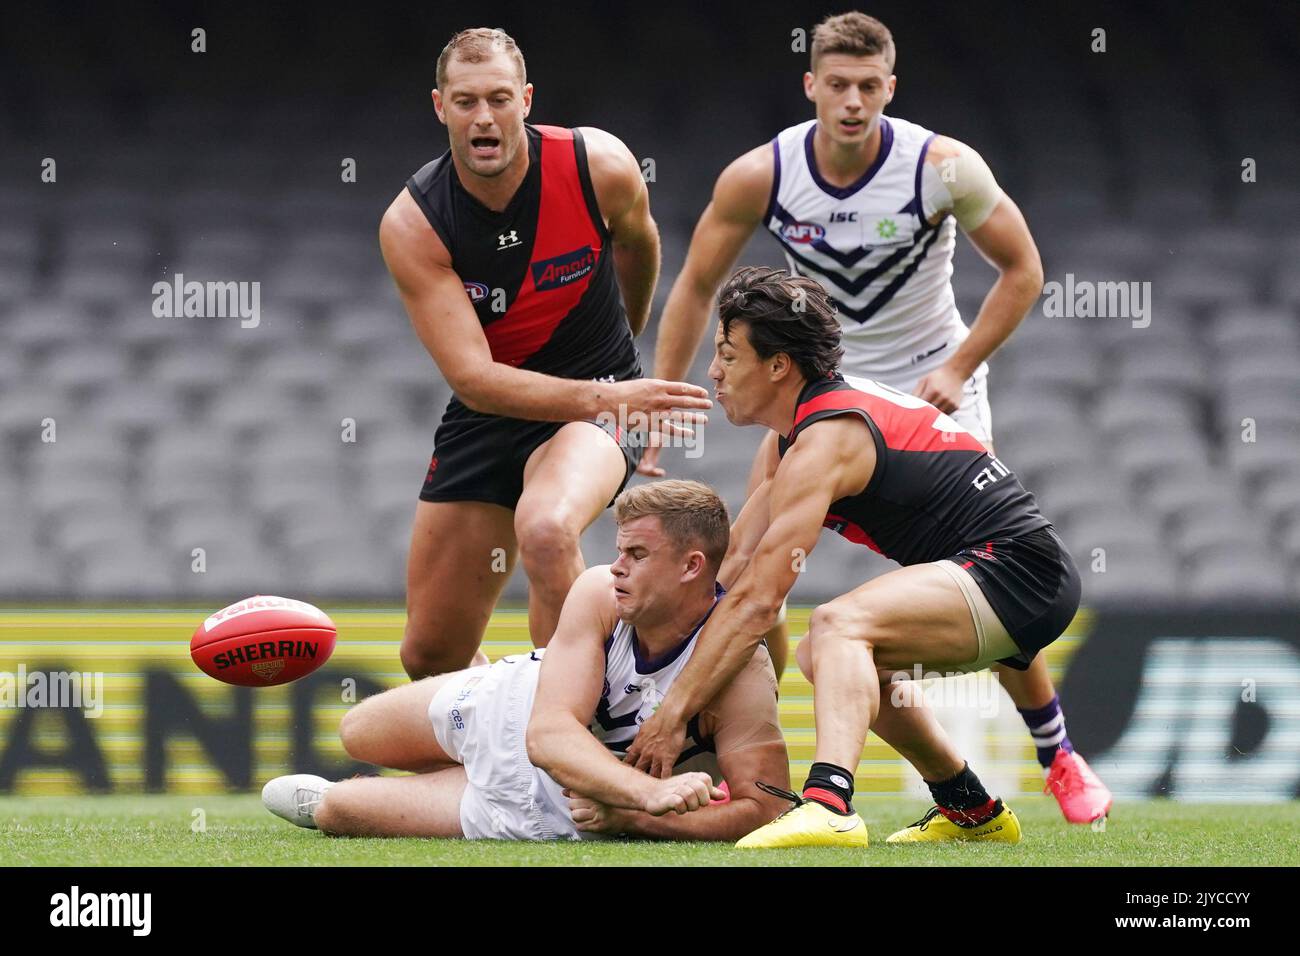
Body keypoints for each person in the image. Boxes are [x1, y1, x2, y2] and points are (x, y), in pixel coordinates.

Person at [641, 11, 1109, 821]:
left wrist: (957, 368)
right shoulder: (763, 174)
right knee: (758, 579)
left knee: (911, 594)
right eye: (838, 84)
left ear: (890, 90)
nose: (853, 101)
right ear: (810, 85)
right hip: (818, 380)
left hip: (925, 389)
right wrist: (661, 400)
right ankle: (800, 761)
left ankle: (1052, 749)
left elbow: (1024, 270)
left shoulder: (943, 167)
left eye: (869, 86)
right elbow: (691, 285)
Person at [628, 267, 1084, 848]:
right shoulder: (794, 436)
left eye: (727, 354)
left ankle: (829, 804)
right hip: (997, 571)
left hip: (1020, 569)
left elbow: (760, 598)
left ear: (778, 366)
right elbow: (736, 564)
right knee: (826, 654)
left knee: (837, 624)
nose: (713, 371)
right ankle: (972, 809)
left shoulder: (828, 437)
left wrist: (672, 716)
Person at [380, 27, 710, 680]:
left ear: (526, 100)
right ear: (440, 107)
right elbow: (475, 382)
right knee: (429, 656)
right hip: (496, 412)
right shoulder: (414, 223)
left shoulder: (600, 167)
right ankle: (502, 747)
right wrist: (613, 395)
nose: (484, 117)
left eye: (499, 98)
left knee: (546, 527)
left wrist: (622, 353)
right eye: (466, 101)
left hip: (593, 412)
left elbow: (638, 245)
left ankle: (583, 733)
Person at [262, 480, 789, 841]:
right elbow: (549, 735)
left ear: (691, 566)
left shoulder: (743, 671)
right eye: (619, 550)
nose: (617, 567)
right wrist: (648, 794)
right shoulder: (599, 591)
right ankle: (470, 691)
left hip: (549, 811)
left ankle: (403, 789)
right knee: (357, 731)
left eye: (637, 555)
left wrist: (635, 819)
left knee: (337, 810)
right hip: (512, 708)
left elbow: (767, 808)